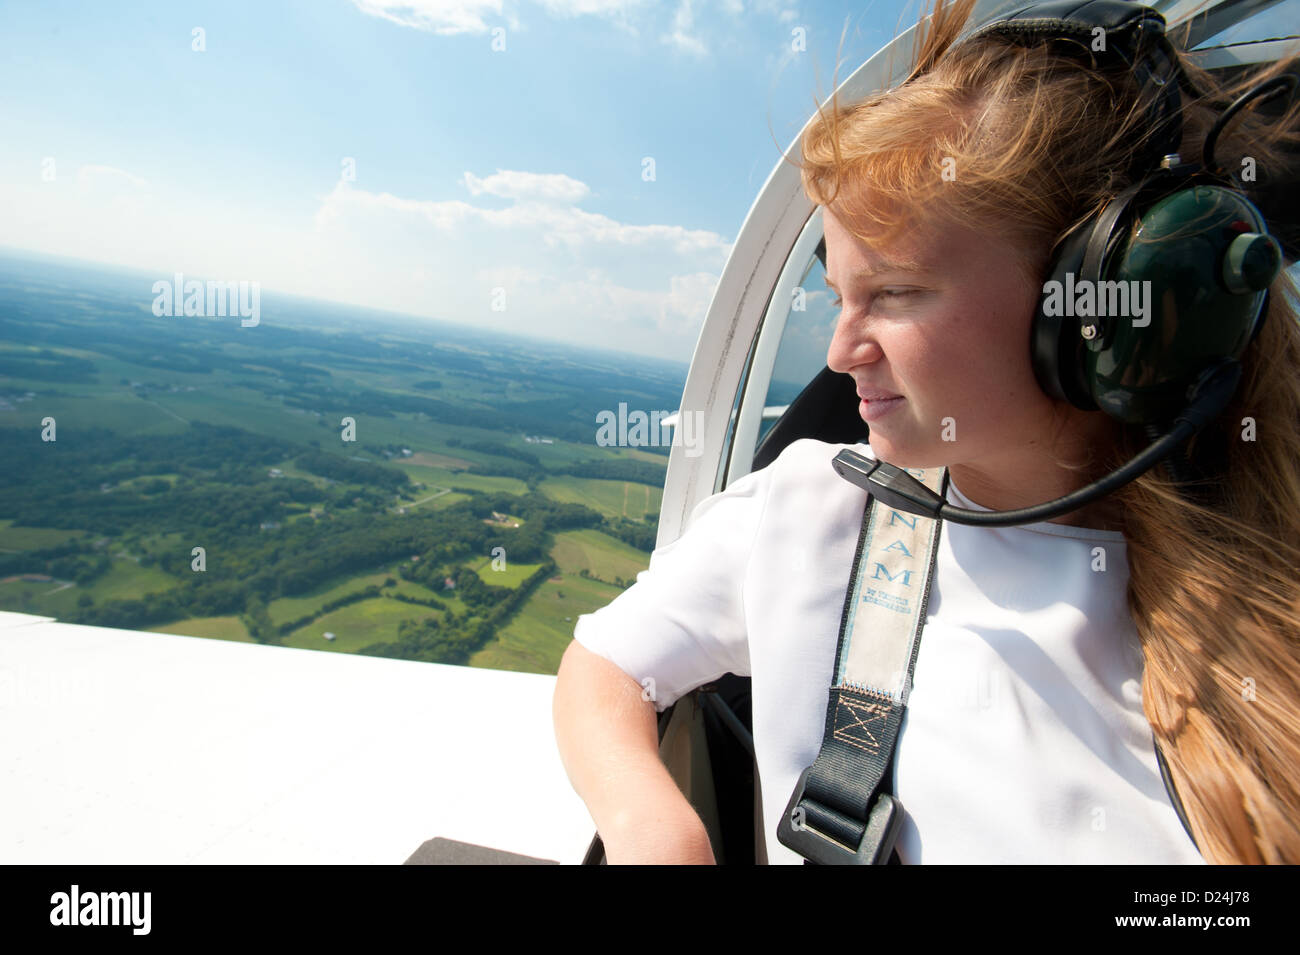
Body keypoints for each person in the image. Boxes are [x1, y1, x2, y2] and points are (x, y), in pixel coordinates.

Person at [552, 0, 1300, 864]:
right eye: (839, 296)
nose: (840, 352)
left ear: (1097, 303)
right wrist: (658, 830)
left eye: (896, 293)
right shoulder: (813, 511)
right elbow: (605, 665)